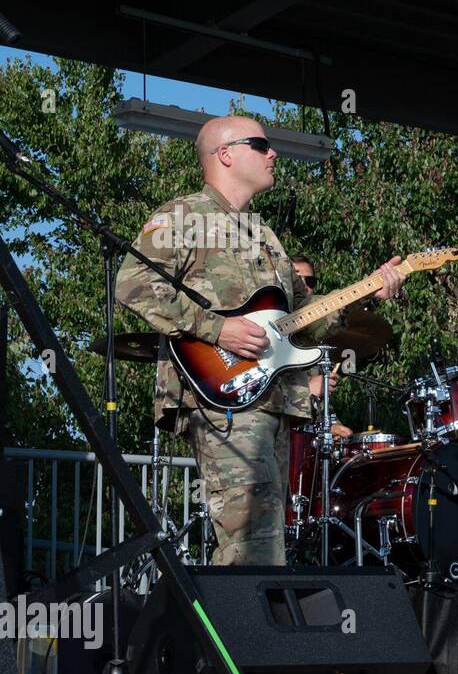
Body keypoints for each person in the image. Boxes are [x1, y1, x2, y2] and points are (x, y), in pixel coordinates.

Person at [115, 114, 406, 566]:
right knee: (251, 541)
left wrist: (368, 292)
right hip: (225, 397)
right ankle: (228, 635)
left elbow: (305, 321)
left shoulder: (265, 236)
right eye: (260, 145)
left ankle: (229, 631)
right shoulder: (186, 215)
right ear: (225, 154)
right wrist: (217, 328)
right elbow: (131, 284)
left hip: (275, 399)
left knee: (265, 537)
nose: (273, 154)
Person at [292, 256, 352, 439]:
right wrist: (307, 390)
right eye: (296, 280)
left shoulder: (315, 346)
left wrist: (334, 426)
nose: (304, 286)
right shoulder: (264, 334)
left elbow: (321, 411)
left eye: (309, 281)